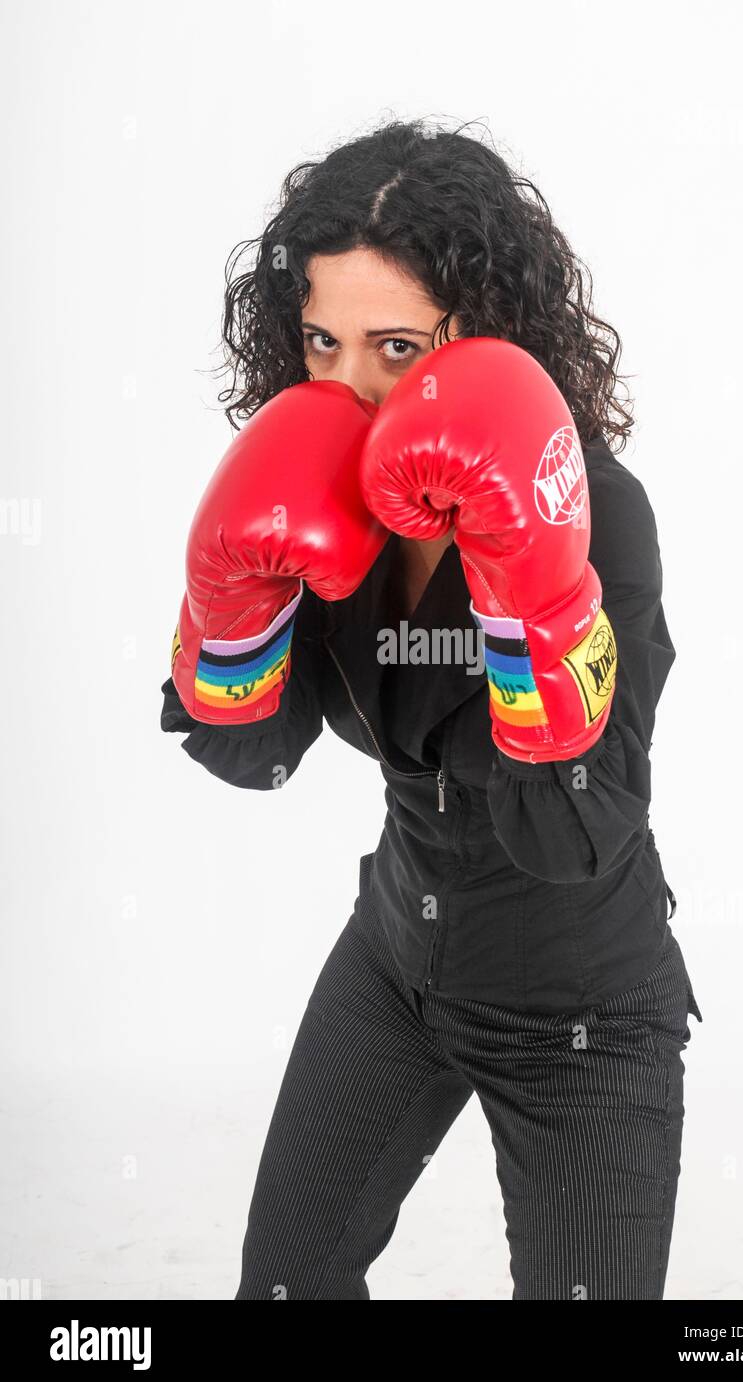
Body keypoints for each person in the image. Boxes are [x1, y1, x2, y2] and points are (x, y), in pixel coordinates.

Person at [160, 117, 703, 1301]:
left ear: (487, 337)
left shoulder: (594, 513)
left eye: (396, 345)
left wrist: (525, 606)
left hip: (579, 1014)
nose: (349, 386)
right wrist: (232, 617)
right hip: (396, 964)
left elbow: (573, 830)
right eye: (320, 342)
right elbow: (257, 758)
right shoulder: (316, 502)